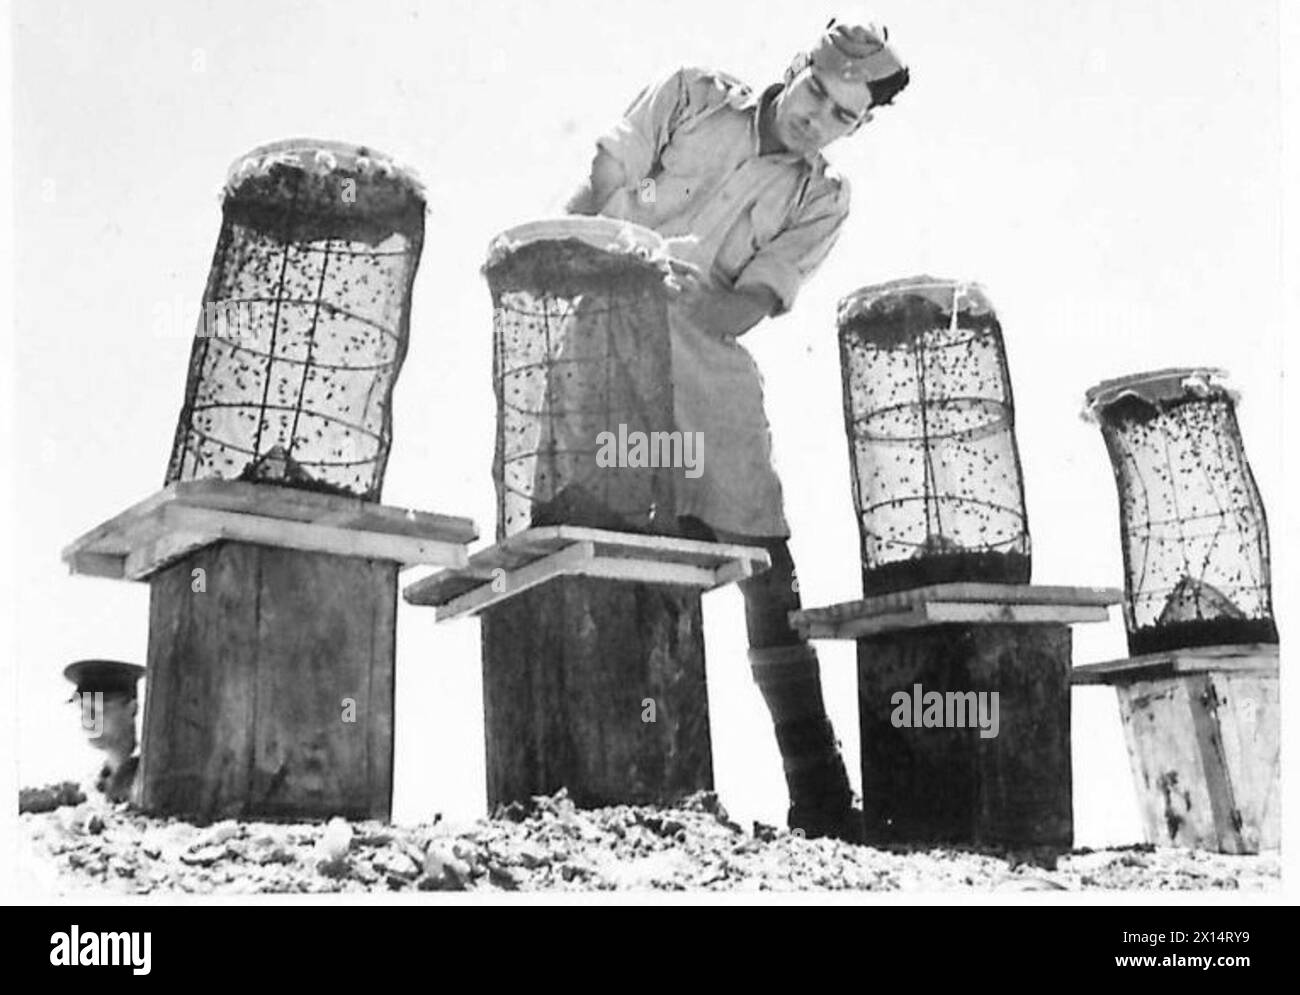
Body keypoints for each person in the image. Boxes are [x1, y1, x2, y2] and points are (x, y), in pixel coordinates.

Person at [566, 20, 910, 839]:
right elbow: (600, 179)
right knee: (603, 538)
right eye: (817, 92)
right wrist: (563, 252)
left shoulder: (821, 198)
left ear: (856, 131)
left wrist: (683, 292)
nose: (816, 118)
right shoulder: (690, 93)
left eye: (841, 117)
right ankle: (607, 789)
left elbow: (746, 305)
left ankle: (820, 792)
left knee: (763, 556)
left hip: (704, 360)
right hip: (602, 338)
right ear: (795, 69)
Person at [64, 659, 145, 804]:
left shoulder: (153, 775)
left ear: (132, 709)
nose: (89, 721)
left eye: (98, 710)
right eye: (84, 710)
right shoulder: (91, 786)